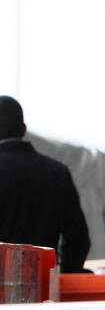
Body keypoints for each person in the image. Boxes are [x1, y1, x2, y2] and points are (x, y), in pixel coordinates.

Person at [0, 96, 90, 271]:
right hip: (42, 286)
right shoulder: (58, 172)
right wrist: (65, 276)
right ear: (24, 130)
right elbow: (78, 238)